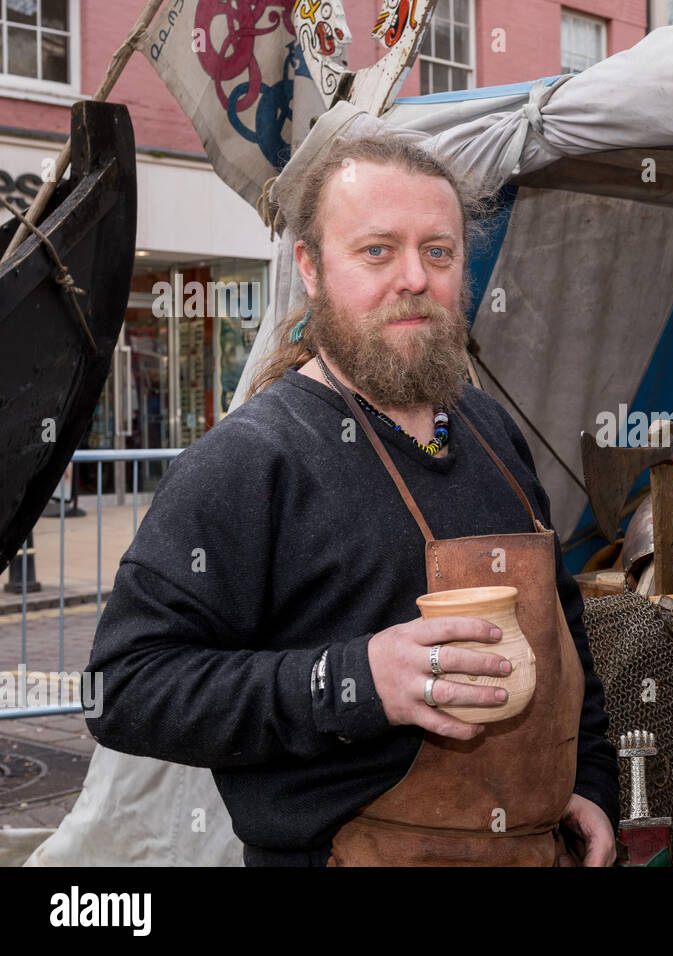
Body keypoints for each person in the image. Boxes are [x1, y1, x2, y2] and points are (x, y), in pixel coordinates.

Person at [85, 132, 619, 867]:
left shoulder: (492, 429)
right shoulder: (248, 460)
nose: (413, 278)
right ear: (310, 266)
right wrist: (356, 681)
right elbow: (123, 689)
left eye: (439, 251)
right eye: (377, 251)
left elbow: (566, 631)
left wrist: (588, 781)